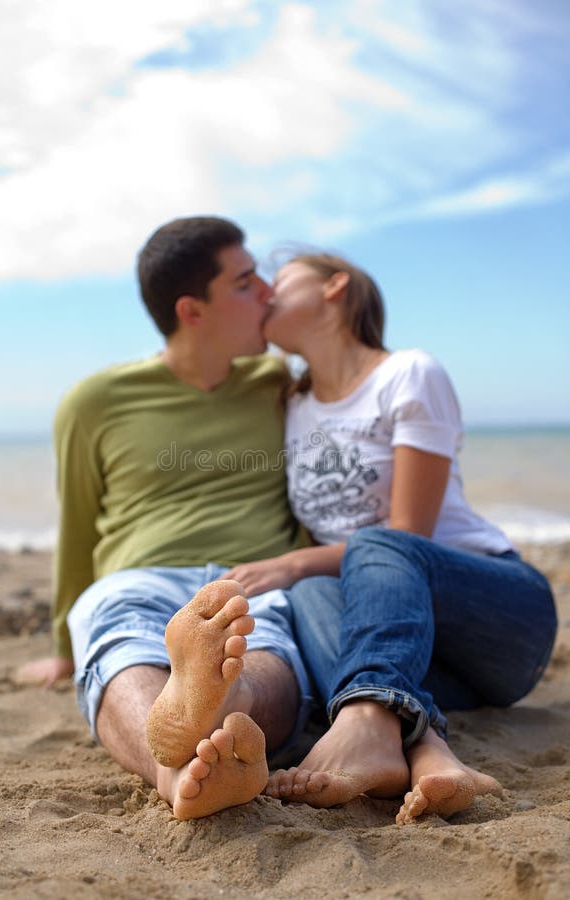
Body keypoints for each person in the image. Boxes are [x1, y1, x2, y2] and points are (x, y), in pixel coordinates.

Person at [225, 252, 557, 823]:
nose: (266, 293)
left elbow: (407, 532)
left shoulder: (408, 373)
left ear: (335, 286)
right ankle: (424, 747)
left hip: (499, 618)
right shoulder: (294, 405)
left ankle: (362, 720)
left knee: (370, 545)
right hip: (420, 655)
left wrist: (294, 561)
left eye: (280, 280)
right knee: (311, 596)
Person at [20, 216, 313, 820]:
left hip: (248, 575)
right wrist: (63, 647)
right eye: (245, 282)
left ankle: (207, 722)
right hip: (140, 574)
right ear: (192, 310)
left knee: (273, 653)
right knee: (120, 637)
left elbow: (319, 489)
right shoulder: (95, 402)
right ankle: (177, 764)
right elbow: (78, 524)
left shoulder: (279, 386)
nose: (268, 292)